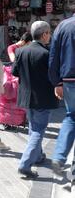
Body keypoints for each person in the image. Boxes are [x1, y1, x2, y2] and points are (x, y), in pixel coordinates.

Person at [12, 21, 59, 179]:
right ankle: (25, 164)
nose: (50, 36)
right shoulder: (47, 53)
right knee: (38, 130)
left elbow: (15, 73)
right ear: (45, 34)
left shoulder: (21, 51)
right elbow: (54, 77)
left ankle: (37, 156)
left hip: (26, 97)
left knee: (33, 128)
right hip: (43, 98)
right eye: (49, 33)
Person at [49, 14, 75, 175]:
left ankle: (59, 156)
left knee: (71, 117)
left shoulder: (63, 26)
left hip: (68, 80)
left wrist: (56, 82)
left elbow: (53, 57)